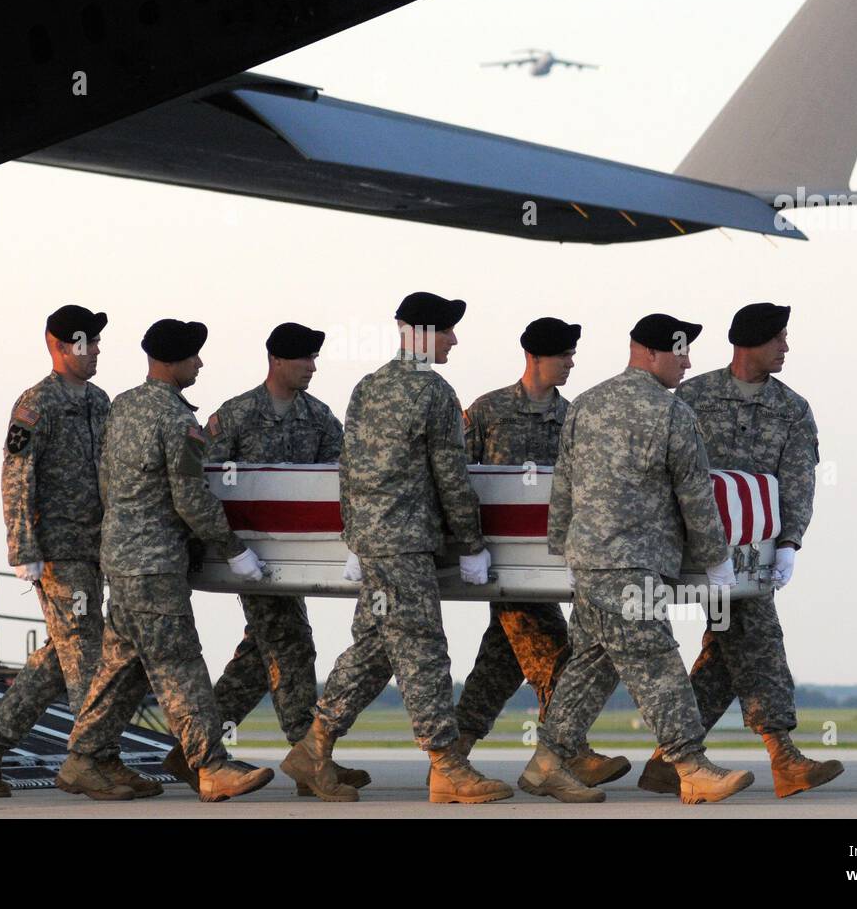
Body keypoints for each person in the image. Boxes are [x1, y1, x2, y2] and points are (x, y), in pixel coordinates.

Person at [282, 292, 513, 804]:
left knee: (376, 651)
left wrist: (354, 537)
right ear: (425, 333)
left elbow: (350, 469)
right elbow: (451, 477)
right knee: (425, 651)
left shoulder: (367, 387)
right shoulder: (433, 392)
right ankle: (447, 765)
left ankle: (313, 750)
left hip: (375, 541)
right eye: (448, 330)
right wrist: (472, 544)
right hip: (406, 544)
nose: (454, 339)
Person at [520, 313, 755, 804]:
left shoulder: (586, 404)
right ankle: (691, 766)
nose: (688, 363)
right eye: (679, 351)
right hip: (630, 565)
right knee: (658, 661)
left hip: (590, 561)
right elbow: (695, 493)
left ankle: (545, 764)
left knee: (592, 665)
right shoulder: (671, 413)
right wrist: (717, 560)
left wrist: (564, 547)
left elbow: (563, 482)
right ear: (648, 353)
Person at [56, 319, 274, 802]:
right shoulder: (177, 420)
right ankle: (211, 765)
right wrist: (232, 548)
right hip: (155, 564)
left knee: (122, 667)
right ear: (174, 361)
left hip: (120, 555)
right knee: (180, 664)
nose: (200, 363)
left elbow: (106, 481)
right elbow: (191, 498)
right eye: (194, 356)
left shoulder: (124, 405)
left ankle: (85, 760)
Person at [639, 303, 842, 798]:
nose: (786, 348)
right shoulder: (693, 397)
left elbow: (798, 483)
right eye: (779, 339)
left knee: (729, 646)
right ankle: (783, 756)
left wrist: (790, 542)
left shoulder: (792, 409)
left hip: (754, 555)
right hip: (698, 548)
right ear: (751, 342)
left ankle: (669, 760)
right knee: (757, 637)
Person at [0, 305, 159, 799]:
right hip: (57, 555)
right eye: (84, 343)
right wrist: (23, 547)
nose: (93, 353)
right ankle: (95, 761)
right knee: (88, 658)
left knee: (59, 658)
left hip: (96, 549)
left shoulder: (99, 401)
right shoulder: (35, 405)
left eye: (95, 344)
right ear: (59, 346)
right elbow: (16, 475)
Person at [455, 317, 629, 787]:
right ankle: (570, 752)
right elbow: (455, 481)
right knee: (554, 654)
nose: (571, 363)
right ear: (535, 357)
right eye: (563, 355)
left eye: (572, 354)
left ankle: (453, 750)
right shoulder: (486, 413)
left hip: (551, 565)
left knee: (501, 660)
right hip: (501, 564)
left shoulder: (574, 418)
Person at [205, 321, 369, 795]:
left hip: (296, 560)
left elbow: (342, 479)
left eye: (315, 359)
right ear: (277, 360)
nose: (312, 368)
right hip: (248, 557)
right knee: (292, 645)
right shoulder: (234, 416)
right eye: (304, 359)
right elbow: (204, 480)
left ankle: (195, 744)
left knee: (262, 654)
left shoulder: (319, 418)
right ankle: (309, 757)